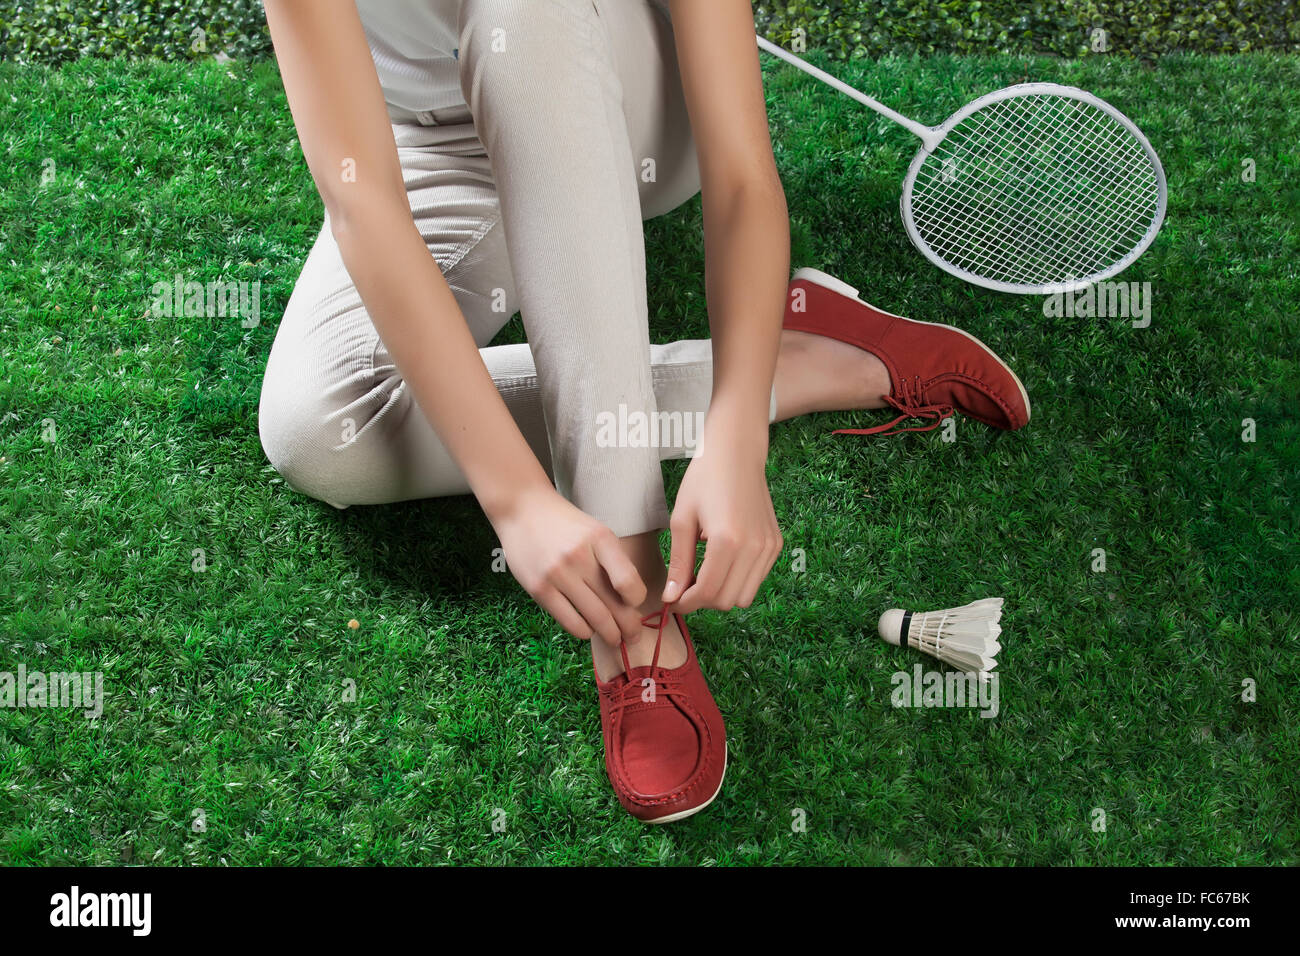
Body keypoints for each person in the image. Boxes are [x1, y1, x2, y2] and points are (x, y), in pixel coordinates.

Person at [258, 0, 1030, 822]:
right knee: (321, 431)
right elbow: (364, 202)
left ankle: (630, 609)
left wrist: (737, 444)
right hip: (435, 138)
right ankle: (805, 357)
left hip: (627, 100)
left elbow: (740, 177)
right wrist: (514, 499)